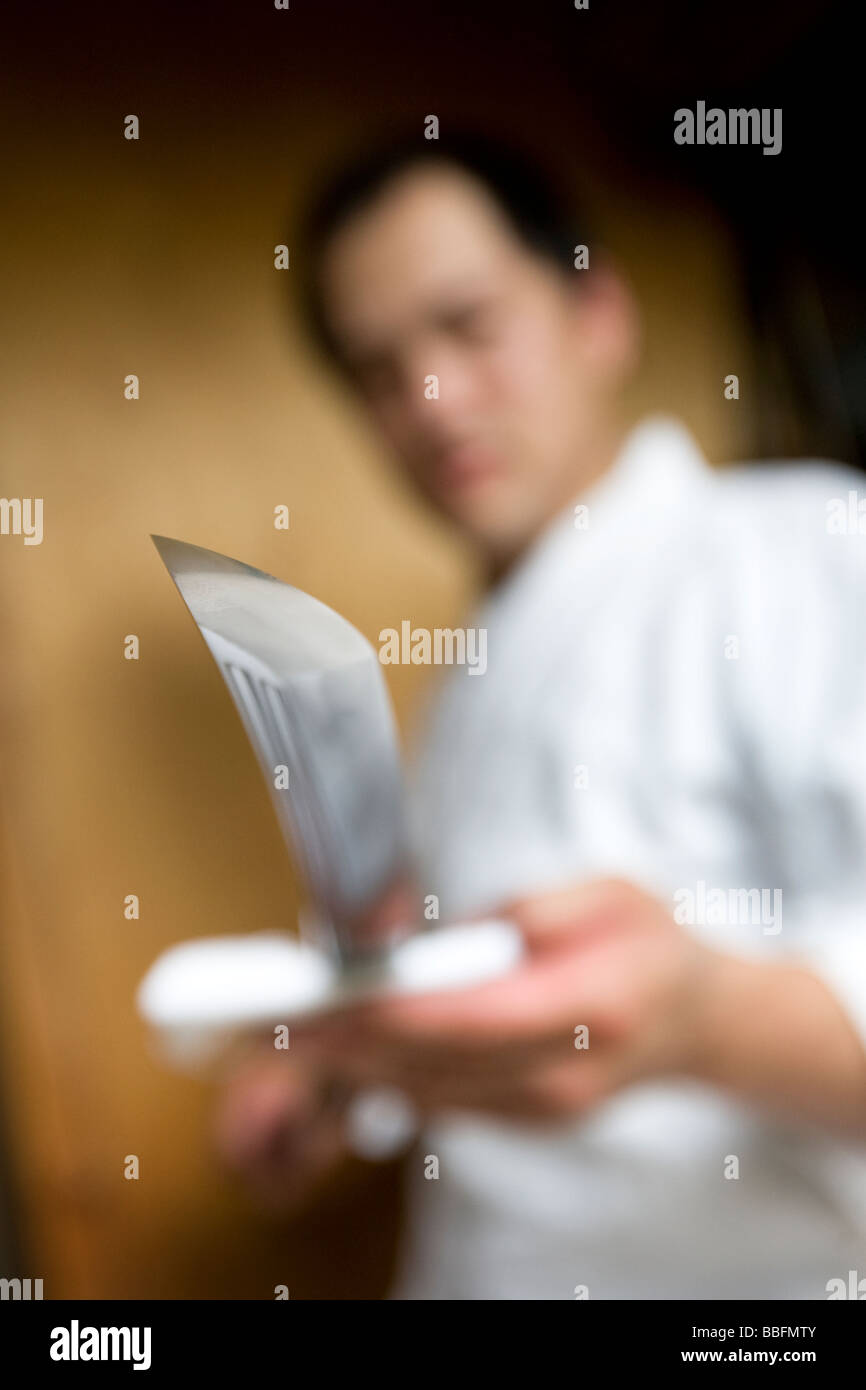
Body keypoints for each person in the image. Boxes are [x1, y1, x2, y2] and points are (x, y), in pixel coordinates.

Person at [214, 131, 866, 1299]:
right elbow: (471, 1010)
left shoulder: (803, 551)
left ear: (596, 312)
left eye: (466, 325)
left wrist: (708, 1020)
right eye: (375, 372)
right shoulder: (455, 691)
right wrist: (331, 1078)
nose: (429, 399)